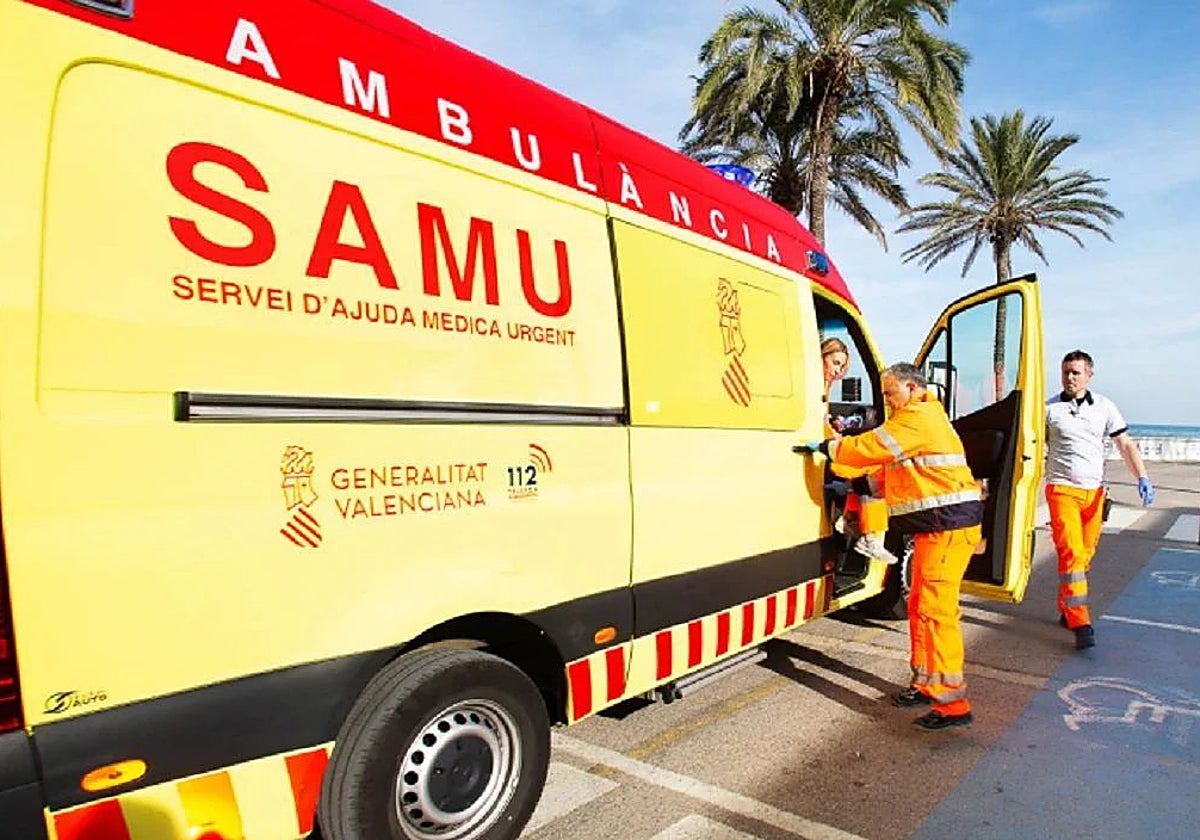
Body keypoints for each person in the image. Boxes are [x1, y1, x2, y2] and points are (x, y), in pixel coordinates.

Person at [802, 363, 983, 730]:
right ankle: (925, 684)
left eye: (890, 392)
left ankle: (953, 704)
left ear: (914, 388)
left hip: (947, 528)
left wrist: (829, 446)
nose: (887, 401)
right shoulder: (920, 420)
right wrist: (854, 485)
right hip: (938, 528)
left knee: (936, 612)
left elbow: (871, 446)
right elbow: (889, 476)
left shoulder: (918, 416)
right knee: (921, 606)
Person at [1045, 350, 1154, 651]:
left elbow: (1124, 444)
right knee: (1071, 554)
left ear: (1089, 375)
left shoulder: (1105, 407)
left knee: (1085, 556)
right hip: (1061, 489)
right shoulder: (1048, 409)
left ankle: (1067, 606)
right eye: (1066, 372)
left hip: (1095, 493)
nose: (1069, 377)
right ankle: (1080, 623)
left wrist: (1141, 476)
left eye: (1076, 373)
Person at [820, 338, 895, 565]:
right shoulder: (814, 384)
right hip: (824, 452)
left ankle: (850, 518)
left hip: (828, 447)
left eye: (842, 366)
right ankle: (870, 536)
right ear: (821, 357)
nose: (837, 370)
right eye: (834, 362)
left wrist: (834, 425)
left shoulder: (821, 385)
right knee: (874, 472)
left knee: (865, 470)